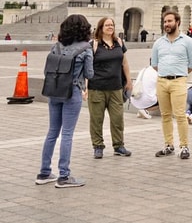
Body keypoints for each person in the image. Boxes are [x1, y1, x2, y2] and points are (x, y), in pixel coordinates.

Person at [36, 14, 94, 188]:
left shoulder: (57, 46)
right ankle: (64, 175)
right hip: (73, 91)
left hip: (54, 91)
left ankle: (44, 172)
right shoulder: (86, 48)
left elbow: (48, 70)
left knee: (52, 132)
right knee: (67, 134)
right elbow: (89, 74)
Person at [149, 10, 192, 159]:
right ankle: (168, 144)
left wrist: (180, 73)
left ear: (177, 22)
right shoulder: (159, 42)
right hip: (162, 80)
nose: (167, 24)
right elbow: (155, 63)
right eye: (165, 21)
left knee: (180, 115)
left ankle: (184, 146)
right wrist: (166, 72)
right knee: (165, 115)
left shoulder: (188, 41)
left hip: (179, 81)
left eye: (170, 21)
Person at [88, 17, 133, 159]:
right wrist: (85, 86)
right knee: (96, 119)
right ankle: (98, 146)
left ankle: (119, 145)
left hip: (116, 87)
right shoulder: (93, 44)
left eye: (112, 25)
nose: (110, 27)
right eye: (107, 25)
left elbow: (124, 63)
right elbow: (87, 66)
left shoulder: (119, 42)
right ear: (100, 27)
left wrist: (129, 80)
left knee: (118, 118)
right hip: (97, 87)